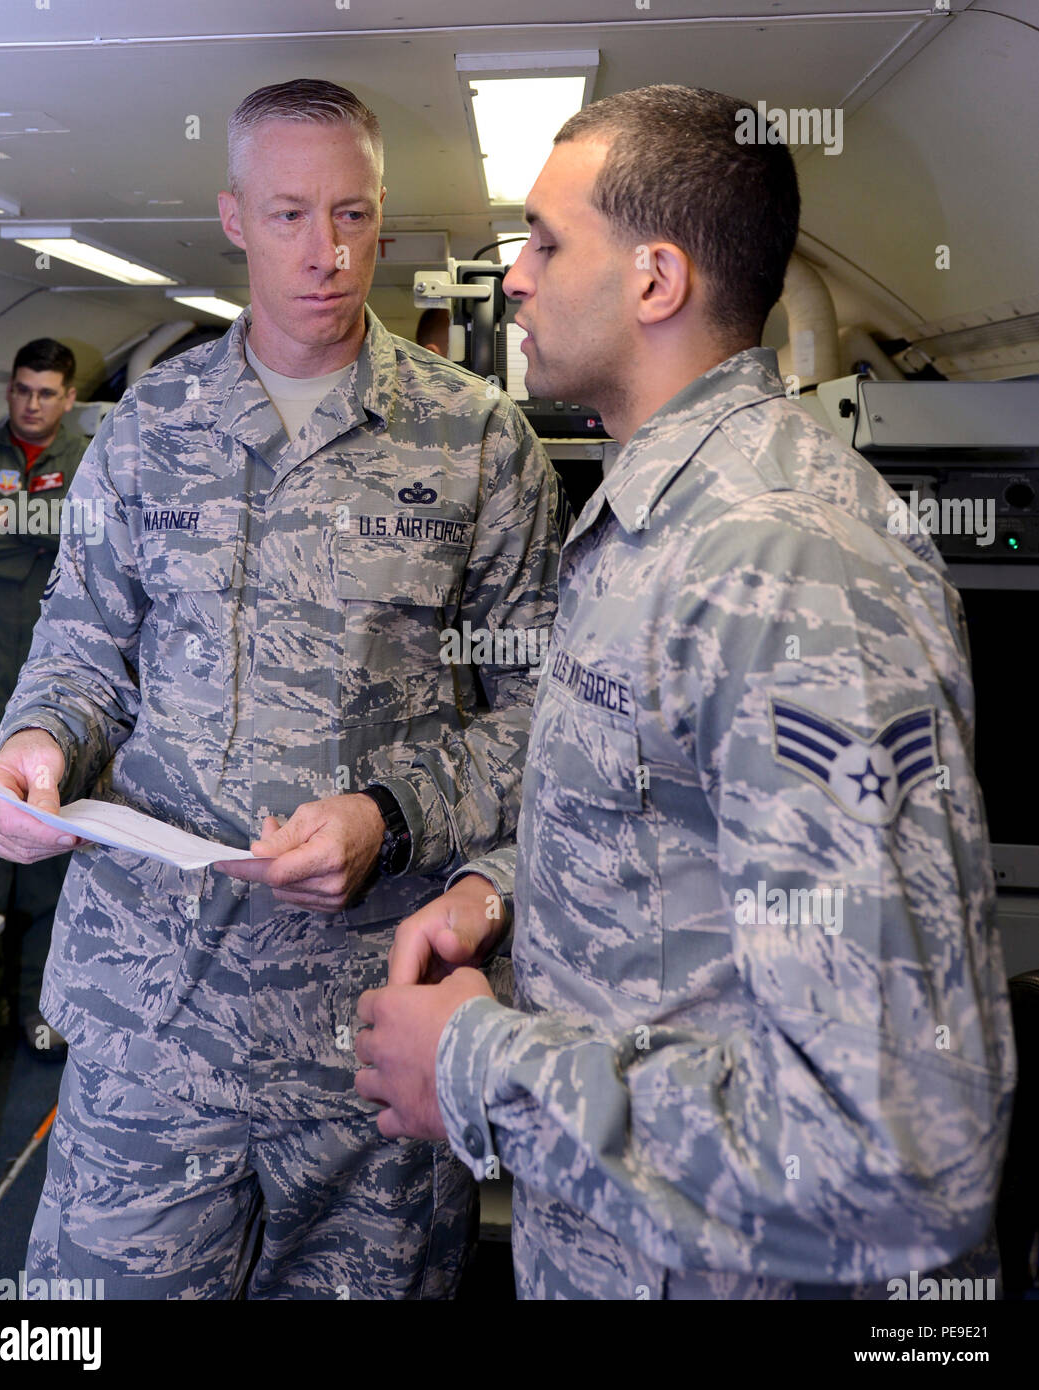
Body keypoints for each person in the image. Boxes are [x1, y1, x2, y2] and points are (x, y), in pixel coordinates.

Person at [353, 85, 1017, 1299]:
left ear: (656, 279)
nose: (513, 279)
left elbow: (901, 1157)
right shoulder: (661, 525)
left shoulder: (788, 564)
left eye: (547, 244)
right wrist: (501, 900)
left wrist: (477, 1067)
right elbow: (670, 840)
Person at [0, 78, 561, 1299]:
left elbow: (542, 721)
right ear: (234, 217)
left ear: (383, 217)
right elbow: (82, 647)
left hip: (370, 1036)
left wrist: (392, 814)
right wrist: (37, 745)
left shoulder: (480, 440)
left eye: (353, 215)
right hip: (153, 1017)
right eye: (291, 215)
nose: (328, 252)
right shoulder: (144, 430)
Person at [0, 338, 86, 1055]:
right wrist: (33, 531)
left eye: (46, 393)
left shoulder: (92, 459)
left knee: (46, 877)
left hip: (58, 699)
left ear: (67, 398)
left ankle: (41, 1018)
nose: (31, 404)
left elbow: (79, 526)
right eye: (21, 389)